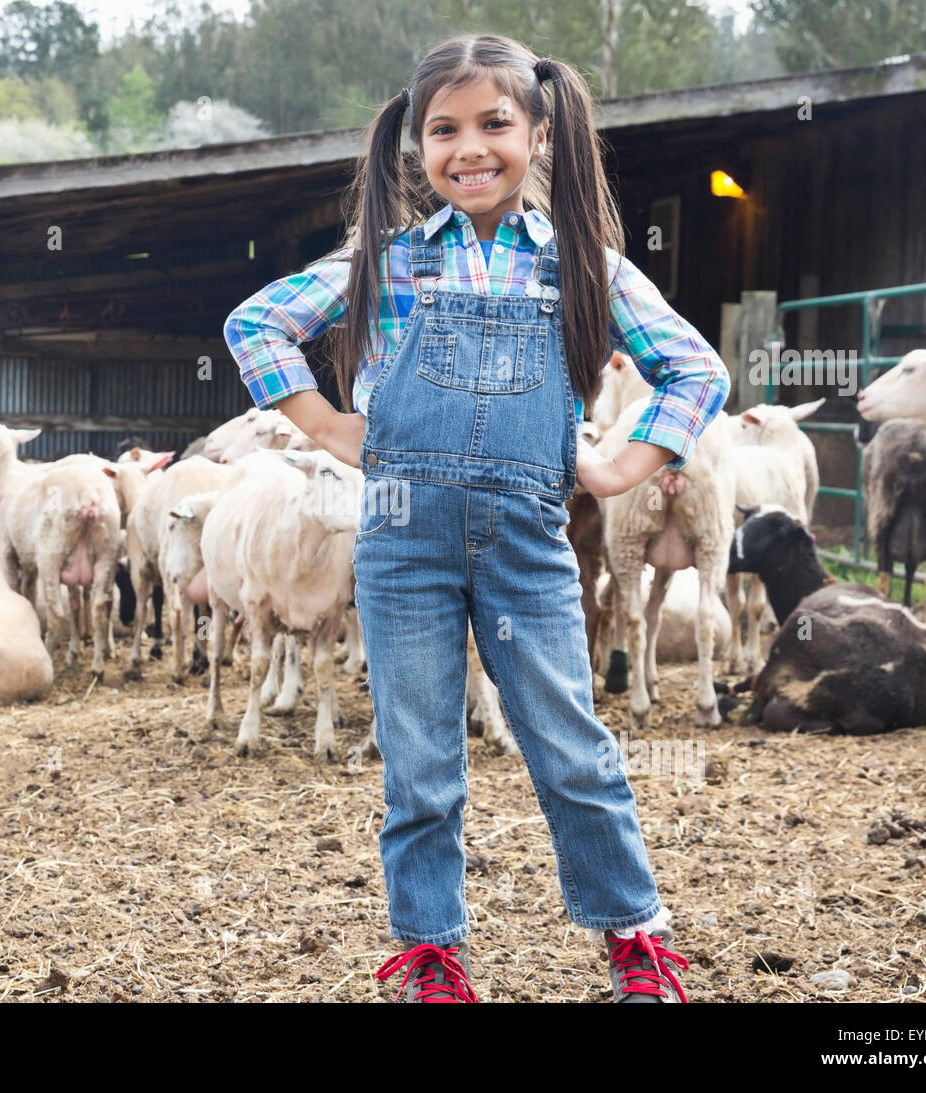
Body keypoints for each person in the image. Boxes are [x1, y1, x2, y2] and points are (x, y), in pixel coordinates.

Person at [222, 32, 729, 1003]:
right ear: (415, 147)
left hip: (529, 546)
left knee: (570, 748)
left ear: (537, 134)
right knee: (420, 761)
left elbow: (694, 367)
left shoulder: (587, 268)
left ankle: (634, 935)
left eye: (493, 124)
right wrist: (328, 425)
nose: (469, 149)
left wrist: (621, 466)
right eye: (442, 130)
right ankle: (432, 953)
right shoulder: (389, 260)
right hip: (401, 546)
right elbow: (257, 323)